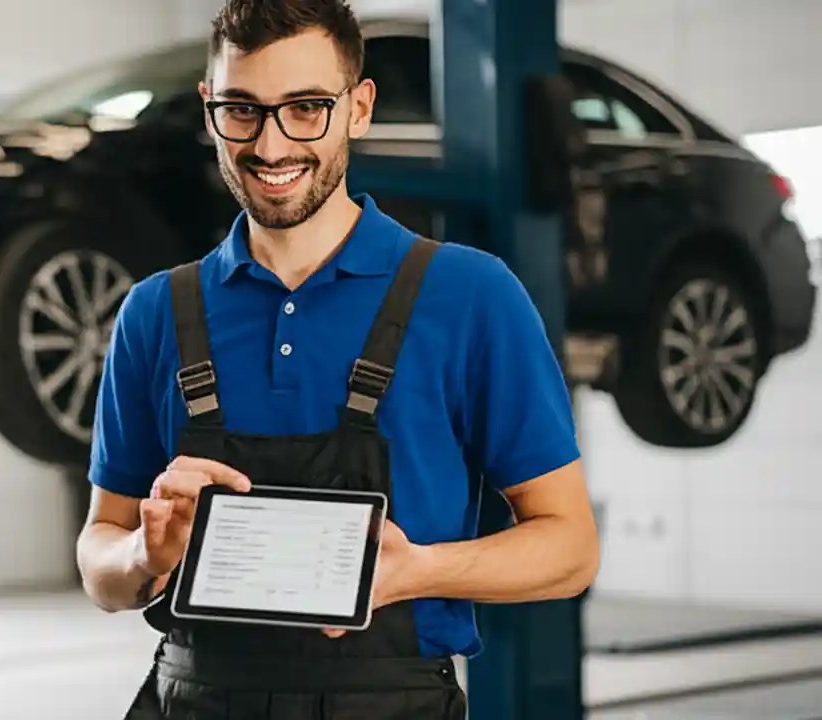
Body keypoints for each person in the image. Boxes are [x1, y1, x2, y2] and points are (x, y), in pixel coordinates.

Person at [75, 1, 601, 717]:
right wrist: (145, 555)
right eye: (242, 110)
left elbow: (569, 549)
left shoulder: (471, 295)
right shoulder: (155, 313)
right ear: (209, 110)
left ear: (359, 107)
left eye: (305, 109)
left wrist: (417, 571)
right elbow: (100, 556)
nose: (270, 145)